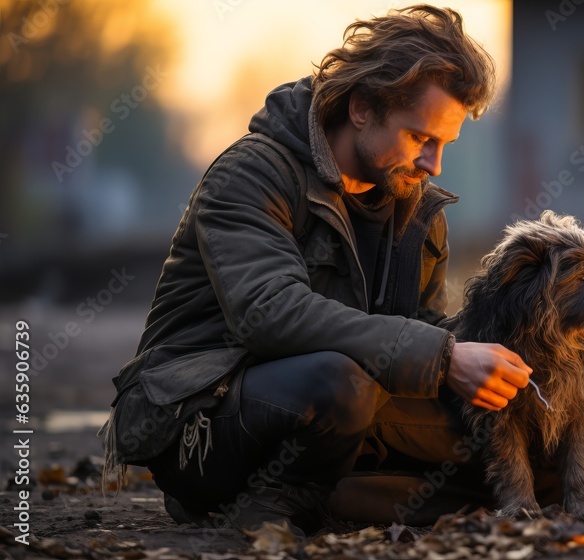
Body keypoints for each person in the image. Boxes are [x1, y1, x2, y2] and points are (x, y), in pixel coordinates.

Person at [100, 5, 555, 534]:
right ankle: (262, 498)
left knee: (533, 446)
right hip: (206, 416)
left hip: (344, 413)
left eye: (443, 145)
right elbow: (269, 313)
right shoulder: (251, 174)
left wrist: (492, 355)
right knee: (340, 384)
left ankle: (314, 499)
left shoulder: (415, 205)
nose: (433, 165)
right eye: (419, 138)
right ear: (362, 107)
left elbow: (419, 333)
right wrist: (444, 355)